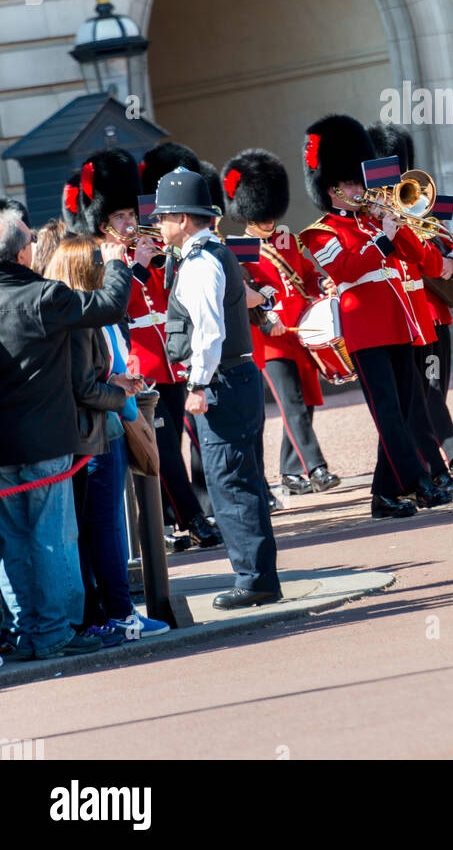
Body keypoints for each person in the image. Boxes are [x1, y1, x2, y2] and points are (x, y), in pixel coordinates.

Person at [300, 115, 453, 520]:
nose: (357, 189)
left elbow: (427, 261)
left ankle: (383, 496)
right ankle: (419, 483)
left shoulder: (376, 221)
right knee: (388, 413)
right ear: (330, 188)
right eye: (349, 184)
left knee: (405, 412)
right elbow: (346, 269)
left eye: (357, 181)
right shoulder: (319, 232)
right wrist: (384, 237)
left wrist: (398, 226)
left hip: (400, 326)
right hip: (365, 333)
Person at [64, 150, 220, 549]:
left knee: (170, 447)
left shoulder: (148, 250)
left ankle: (165, 522)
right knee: (162, 448)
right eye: (120, 217)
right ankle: (194, 520)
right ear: (102, 223)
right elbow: (112, 307)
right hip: (138, 361)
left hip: (169, 361)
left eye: (132, 215)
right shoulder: (100, 258)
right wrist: (133, 269)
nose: (131, 222)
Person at [0, 209, 133, 660]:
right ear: (22, 252)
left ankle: (28, 631)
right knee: (52, 539)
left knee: (14, 544)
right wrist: (116, 263)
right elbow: (110, 306)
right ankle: (53, 631)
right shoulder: (43, 296)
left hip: (2, 448)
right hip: (45, 443)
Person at [154, 166, 281, 609]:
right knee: (239, 480)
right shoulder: (212, 254)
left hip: (221, 379)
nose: (160, 223)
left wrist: (198, 384)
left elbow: (207, 333)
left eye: (166, 215)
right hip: (234, 377)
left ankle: (253, 579)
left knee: (229, 483)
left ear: (185, 219)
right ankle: (259, 575)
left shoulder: (200, 262)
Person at [46, 235, 169, 642]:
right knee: (105, 527)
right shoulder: (80, 320)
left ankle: (110, 610)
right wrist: (118, 392)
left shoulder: (83, 313)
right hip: (94, 433)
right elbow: (84, 387)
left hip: (97, 430)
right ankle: (117, 612)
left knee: (102, 525)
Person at [221, 148, 340, 497]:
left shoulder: (287, 238)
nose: (269, 220)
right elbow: (244, 295)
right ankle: (316, 468)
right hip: (271, 337)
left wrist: (321, 283)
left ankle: (291, 472)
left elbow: (303, 274)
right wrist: (265, 321)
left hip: (301, 331)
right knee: (291, 404)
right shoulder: (239, 247)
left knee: (307, 401)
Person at [368, 122, 453, 484]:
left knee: (435, 388)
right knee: (423, 392)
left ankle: (431, 461)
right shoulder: (376, 222)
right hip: (406, 318)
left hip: (435, 314)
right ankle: (451, 458)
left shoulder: (421, 211)